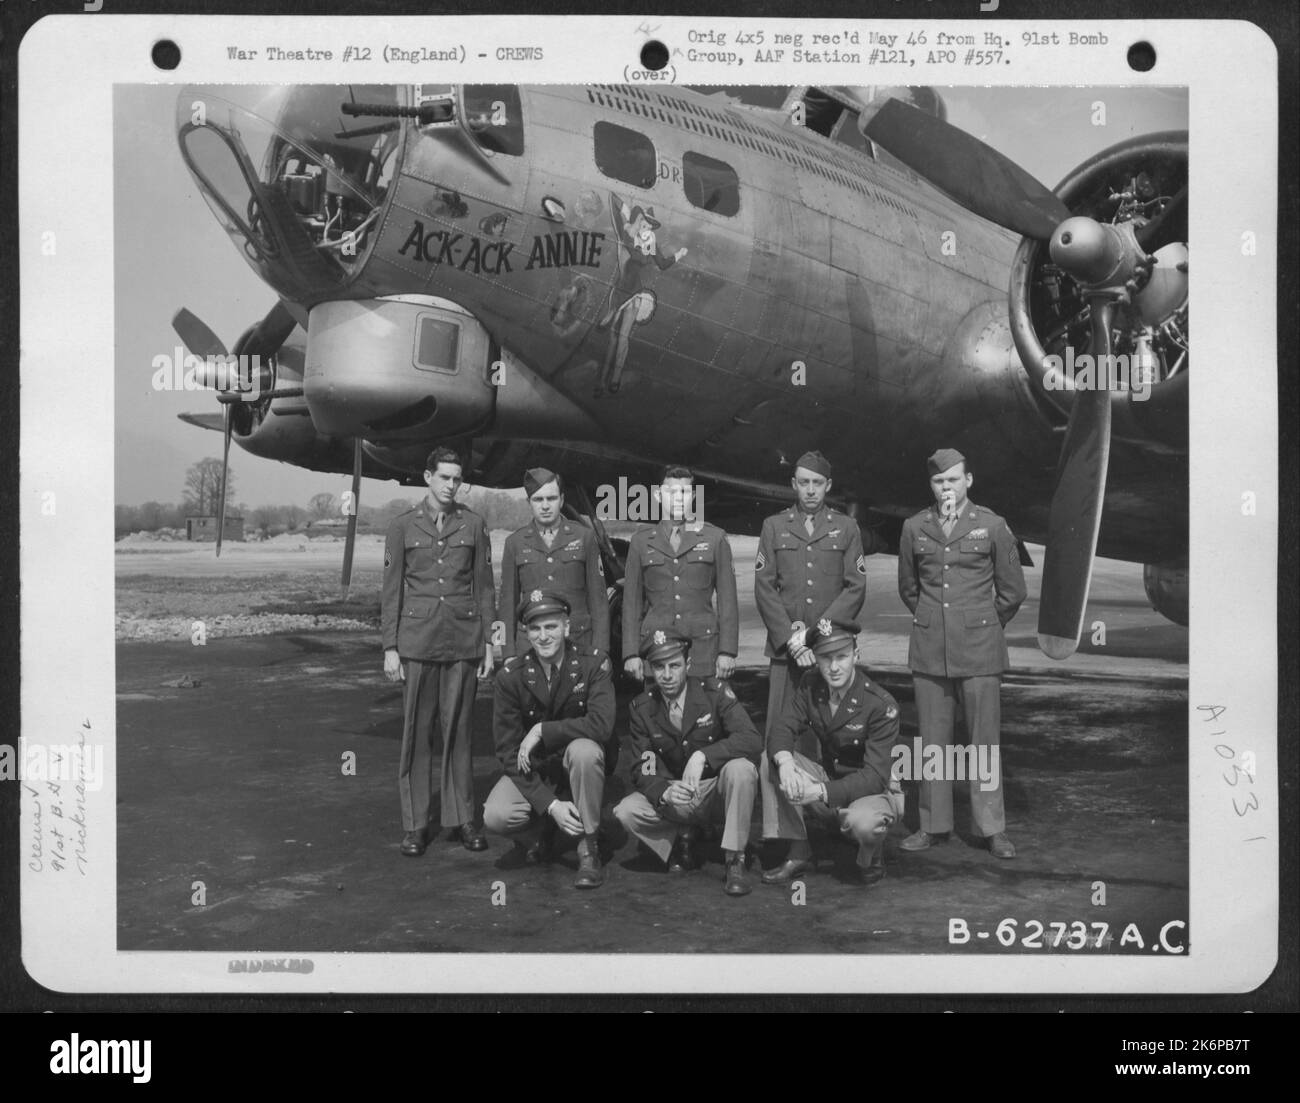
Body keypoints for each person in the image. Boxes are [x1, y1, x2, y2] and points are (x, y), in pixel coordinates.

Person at [896, 448, 1027, 859]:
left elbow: (1013, 591)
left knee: (983, 742)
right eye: (938, 481)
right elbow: (909, 588)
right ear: (931, 485)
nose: (946, 487)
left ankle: (992, 828)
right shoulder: (914, 527)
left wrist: (983, 624)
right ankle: (933, 825)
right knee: (932, 743)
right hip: (931, 649)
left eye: (953, 479)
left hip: (980, 651)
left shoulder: (993, 525)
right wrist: (935, 621)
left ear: (968, 481)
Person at [382, 446, 495, 857]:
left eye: (457, 479)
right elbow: (391, 590)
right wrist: (390, 646)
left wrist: (489, 644)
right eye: (444, 477)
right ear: (428, 477)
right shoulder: (402, 526)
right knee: (416, 734)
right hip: (417, 641)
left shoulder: (474, 524)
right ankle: (415, 825)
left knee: (459, 733)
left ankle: (463, 818)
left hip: (463, 641)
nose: (451, 485)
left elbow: (485, 587)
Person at [613, 630, 761, 896]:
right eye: (659, 667)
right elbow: (642, 766)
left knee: (742, 770)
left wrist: (704, 756)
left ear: (688, 665)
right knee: (626, 810)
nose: (667, 675)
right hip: (676, 795)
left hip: (715, 792)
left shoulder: (714, 693)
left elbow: (751, 739)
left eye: (674, 666)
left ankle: (734, 859)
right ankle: (680, 837)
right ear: (651, 669)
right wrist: (664, 791)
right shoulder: (642, 707)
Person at [483, 591, 614, 888]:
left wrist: (543, 730)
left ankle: (588, 845)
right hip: (537, 768)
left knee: (584, 751)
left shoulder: (594, 663)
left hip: (577, 765)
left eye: (551, 627)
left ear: (566, 627)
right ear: (527, 633)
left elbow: (603, 725)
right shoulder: (511, 677)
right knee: (497, 815)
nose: (543, 636)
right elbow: (507, 752)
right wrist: (551, 805)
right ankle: (540, 831)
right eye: (535, 629)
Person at [759, 619, 903, 886]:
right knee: (772, 761)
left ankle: (870, 857)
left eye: (841, 657)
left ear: (856, 655)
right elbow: (782, 727)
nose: (834, 667)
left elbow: (875, 777)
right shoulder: (811, 684)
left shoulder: (880, 705)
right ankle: (799, 850)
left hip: (869, 792)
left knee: (864, 823)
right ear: (815, 658)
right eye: (825, 658)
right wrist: (786, 762)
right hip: (829, 780)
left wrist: (819, 792)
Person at [753, 450, 867, 748]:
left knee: (829, 732)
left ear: (828, 485)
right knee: (779, 733)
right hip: (785, 650)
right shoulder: (773, 526)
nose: (811, 490)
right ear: (794, 484)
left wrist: (813, 636)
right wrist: (790, 640)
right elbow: (764, 587)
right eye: (804, 483)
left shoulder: (846, 527)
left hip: (829, 647)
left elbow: (855, 586)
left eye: (817, 483)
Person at [622, 466, 738, 682]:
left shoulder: (714, 538)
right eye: (671, 492)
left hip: (703, 651)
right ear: (658, 495)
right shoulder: (641, 541)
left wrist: (727, 651)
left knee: (703, 703)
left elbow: (728, 600)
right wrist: (630, 653)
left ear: (693, 496)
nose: (678, 498)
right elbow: (631, 603)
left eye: (684, 492)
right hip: (657, 649)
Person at [498, 467, 609, 657]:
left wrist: (601, 651)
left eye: (551, 498)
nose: (545, 506)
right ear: (529, 503)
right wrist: (508, 654)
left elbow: (599, 602)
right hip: (532, 648)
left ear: (562, 500)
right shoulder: (514, 543)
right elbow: (506, 606)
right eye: (538, 499)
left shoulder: (584, 537)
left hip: (578, 642)